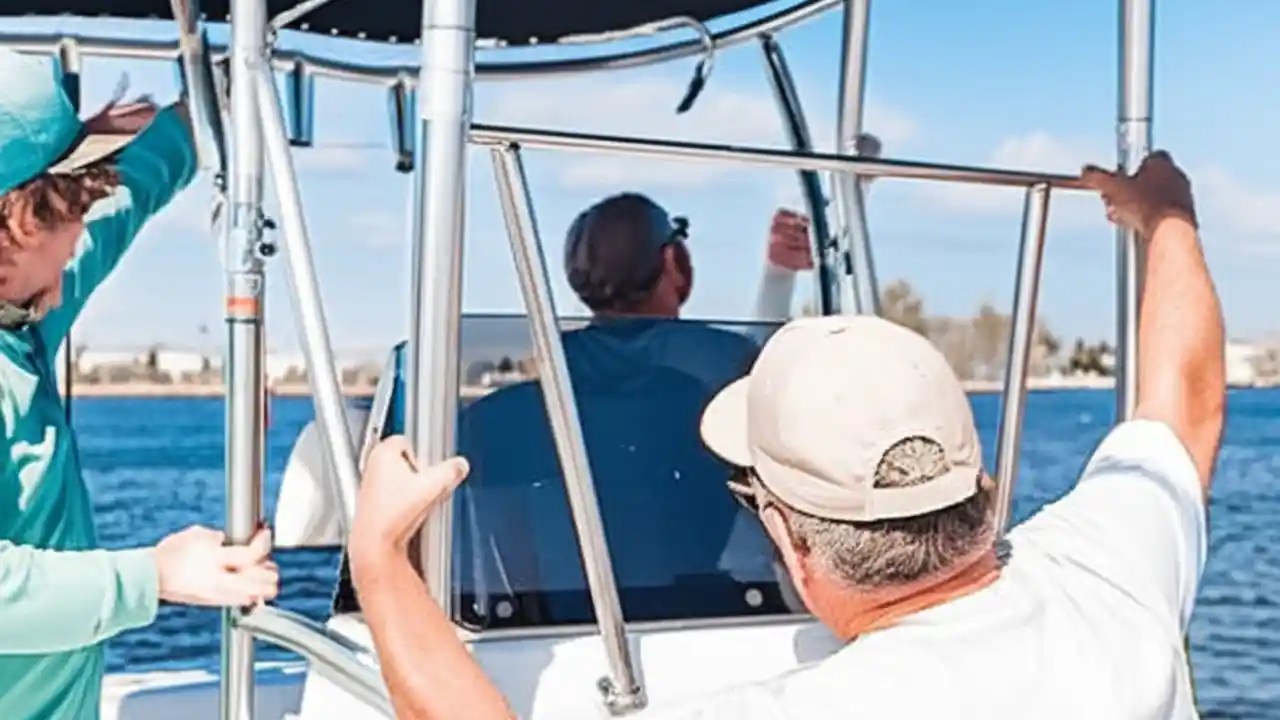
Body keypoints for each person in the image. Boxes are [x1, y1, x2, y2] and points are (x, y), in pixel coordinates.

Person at [346, 149, 1222, 720]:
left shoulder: (497, 422)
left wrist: (380, 556)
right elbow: (1182, 404)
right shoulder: (1111, 573)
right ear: (976, 480)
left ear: (789, 540)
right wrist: (1168, 212)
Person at [0, 49, 278, 720]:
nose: (68, 277)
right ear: (18, 220)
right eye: (63, 242)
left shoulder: (18, 317)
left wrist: (198, 116)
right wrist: (157, 575)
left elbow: (124, 201)